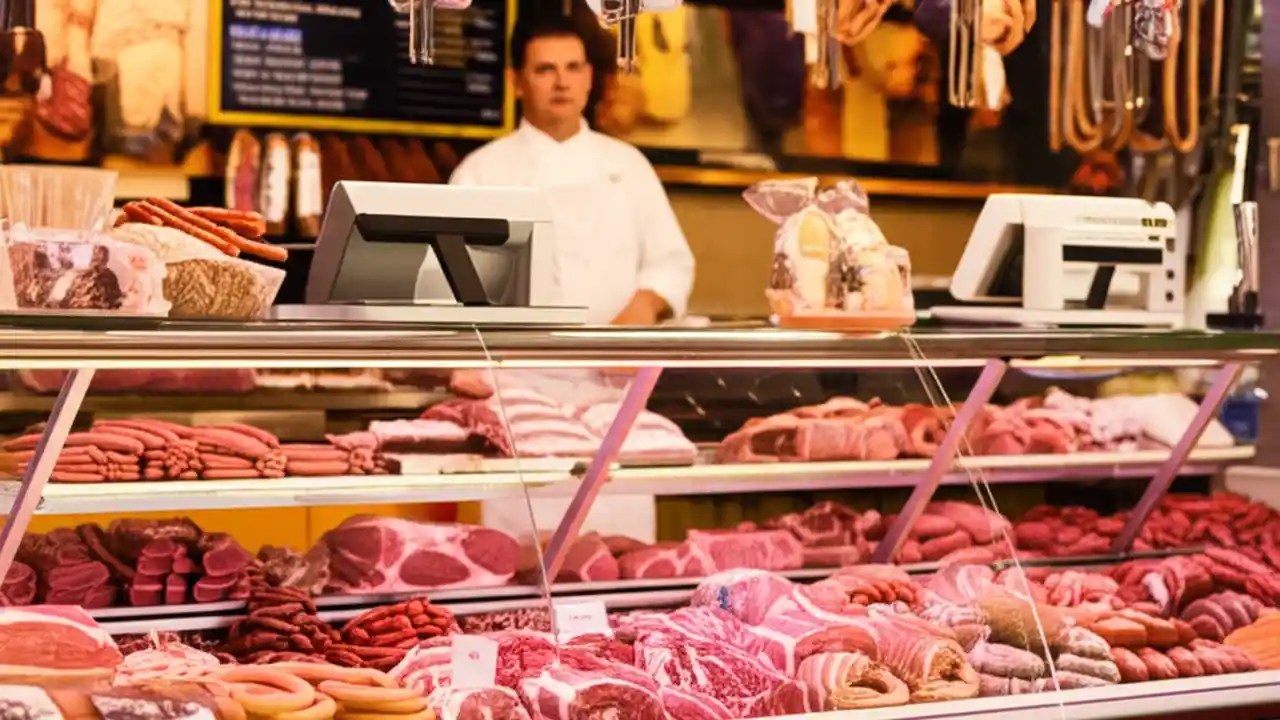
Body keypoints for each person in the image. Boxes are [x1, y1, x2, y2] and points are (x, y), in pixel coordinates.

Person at [449, 14, 695, 326]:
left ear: (589, 77)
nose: (562, 83)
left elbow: (671, 264)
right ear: (516, 82)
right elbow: (455, 286)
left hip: (616, 367)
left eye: (573, 68)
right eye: (545, 69)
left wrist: (644, 307)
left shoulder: (629, 166)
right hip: (514, 370)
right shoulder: (480, 172)